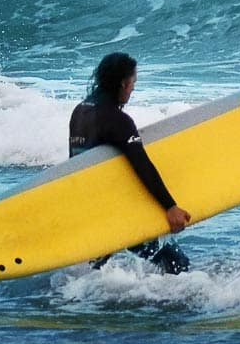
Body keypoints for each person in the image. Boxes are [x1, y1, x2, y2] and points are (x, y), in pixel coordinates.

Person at [70, 52, 193, 274]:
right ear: (123, 83)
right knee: (176, 262)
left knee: (93, 268)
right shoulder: (118, 120)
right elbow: (141, 164)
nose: (133, 88)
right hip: (116, 208)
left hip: (86, 206)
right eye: (133, 82)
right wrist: (170, 206)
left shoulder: (80, 111)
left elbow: (76, 161)